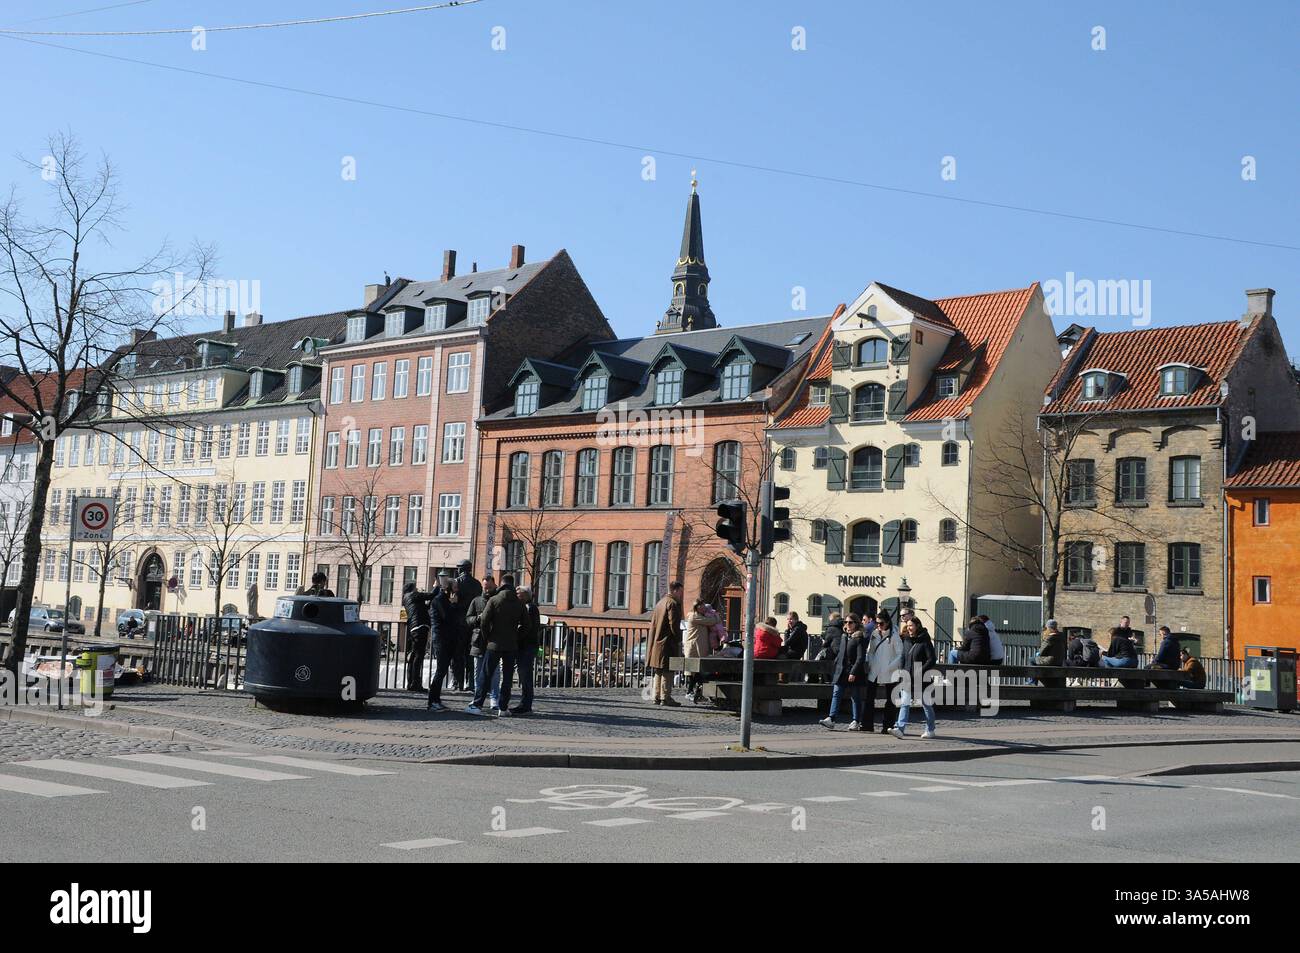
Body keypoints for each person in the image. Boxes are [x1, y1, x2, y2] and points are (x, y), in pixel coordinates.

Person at [469, 574, 528, 716]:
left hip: (494, 644)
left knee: (485, 674)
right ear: (513, 584)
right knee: (507, 677)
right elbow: (527, 625)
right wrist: (517, 637)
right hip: (511, 645)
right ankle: (503, 707)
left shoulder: (494, 600)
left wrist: (487, 636)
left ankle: (477, 704)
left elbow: (484, 621)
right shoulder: (519, 603)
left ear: (501, 584)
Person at [890, 616, 937, 739]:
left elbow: (932, 659)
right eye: (908, 625)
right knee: (904, 703)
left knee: (926, 705)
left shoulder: (925, 641)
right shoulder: (906, 640)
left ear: (917, 626)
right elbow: (903, 657)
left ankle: (930, 729)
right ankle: (900, 729)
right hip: (907, 677)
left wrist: (920, 671)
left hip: (922, 678)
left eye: (911, 625)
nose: (909, 628)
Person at [819, 615, 865, 730]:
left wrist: (853, 672)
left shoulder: (859, 638)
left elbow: (860, 658)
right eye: (846, 622)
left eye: (850, 622)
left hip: (854, 671)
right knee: (836, 694)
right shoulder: (844, 636)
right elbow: (841, 654)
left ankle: (856, 721)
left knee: (855, 697)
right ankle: (831, 718)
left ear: (856, 624)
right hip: (841, 671)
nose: (847, 625)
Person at [864, 610, 903, 733]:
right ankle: (867, 724)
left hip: (889, 671)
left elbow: (899, 654)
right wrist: (871, 662)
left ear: (887, 623)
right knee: (869, 698)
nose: (878, 626)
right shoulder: (874, 634)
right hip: (875, 669)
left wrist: (890, 667)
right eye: (877, 623)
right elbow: (870, 651)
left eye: (881, 623)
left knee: (890, 699)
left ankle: (888, 725)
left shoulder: (894, 636)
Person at [425, 574, 461, 708]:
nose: (457, 590)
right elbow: (447, 617)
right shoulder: (439, 600)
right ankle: (432, 701)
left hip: (447, 638)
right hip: (441, 639)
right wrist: (454, 605)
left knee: (443, 670)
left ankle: (436, 699)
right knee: (440, 670)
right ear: (449, 589)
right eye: (455, 587)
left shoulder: (445, 600)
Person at [647, 581, 685, 706]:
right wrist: (679, 639)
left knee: (658, 670)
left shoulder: (660, 602)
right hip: (667, 642)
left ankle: (655, 696)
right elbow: (673, 624)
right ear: (675, 590)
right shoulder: (672, 603)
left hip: (657, 642)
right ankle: (665, 697)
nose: (681, 594)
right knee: (668, 671)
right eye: (680, 591)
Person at [466, 576, 498, 708]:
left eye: (489, 587)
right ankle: (477, 698)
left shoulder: (497, 600)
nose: (487, 590)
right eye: (485, 587)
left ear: (494, 586)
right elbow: (468, 619)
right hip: (479, 641)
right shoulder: (476, 601)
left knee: (495, 673)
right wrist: (477, 619)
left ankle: (494, 699)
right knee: (478, 672)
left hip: (493, 640)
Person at [452, 560, 482, 691]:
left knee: (457, 654)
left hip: (458, 623)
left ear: (461, 569)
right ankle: (471, 683)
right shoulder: (477, 584)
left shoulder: (456, 582)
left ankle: (457, 683)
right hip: (472, 623)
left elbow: (451, 601)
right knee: (471, 654)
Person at [400, 579, 434, 695]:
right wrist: (437, 586)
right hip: (420, 626)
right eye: (416, 588)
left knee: (414, 656)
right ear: (412, 589)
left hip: (414, 628)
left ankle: (411, 683)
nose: (417, 590)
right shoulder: (413, 595)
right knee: (418, 656)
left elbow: (424, 606)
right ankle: (416, 683)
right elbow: (431, 595)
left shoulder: (406, 598)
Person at [684, 601, 720, 702]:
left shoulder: (701, 615)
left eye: (704, 606)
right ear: (697, 607)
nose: (704, 608)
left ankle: (696, 691)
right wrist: (716, 617)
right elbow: (711, 621)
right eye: (702, 606)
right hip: (693, 647)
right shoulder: (694, 616)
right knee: (693, 670)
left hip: (700, 646)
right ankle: (690, 692)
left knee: (700, 669)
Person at [513, 585, 541, 714]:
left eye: (518, 594)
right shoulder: (530, 607)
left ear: (525, 595)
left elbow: (526, 628)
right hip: (527, 646)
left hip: (526, 646)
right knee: (524, 675)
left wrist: (516, 637)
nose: (516, 595)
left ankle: (525, 705)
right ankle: (525, 703)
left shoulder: (529, 608)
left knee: (525, 676)